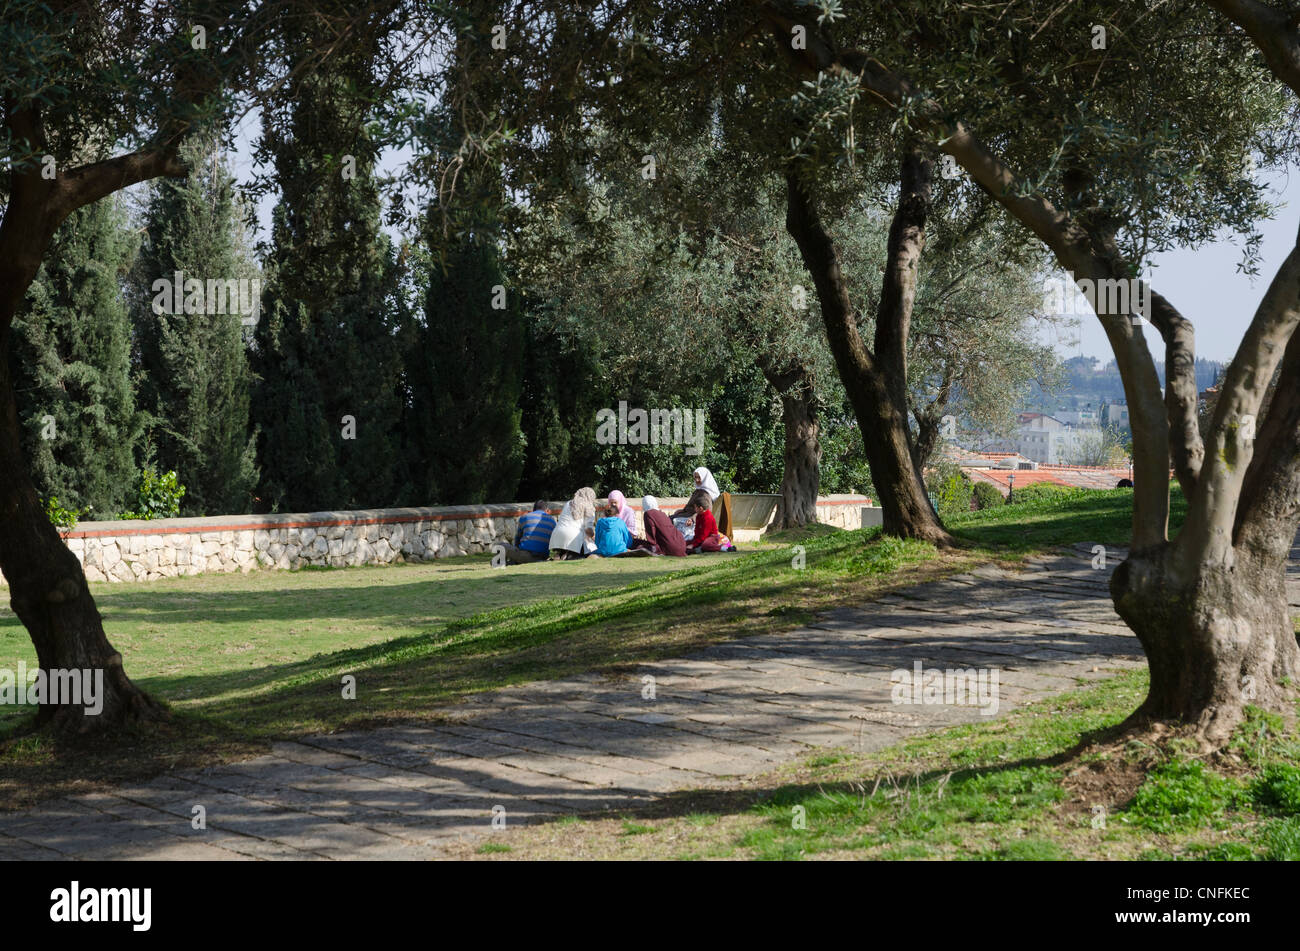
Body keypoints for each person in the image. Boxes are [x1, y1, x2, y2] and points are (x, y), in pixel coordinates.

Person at [550, 487, 597, 559]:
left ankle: (560, 555)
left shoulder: (568, 503)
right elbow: (588, 530)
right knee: (586, 552)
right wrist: (595, 538)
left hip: (557, 535)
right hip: (573, 538)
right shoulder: (589, 507)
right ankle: (567, 556)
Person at [692, 466, 732, 539]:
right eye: (695, 477)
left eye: (699, 477)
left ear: (704, 478)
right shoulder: (698, 491)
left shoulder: (706, 494)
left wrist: (692, 518)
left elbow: (706, 511)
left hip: (696, 519)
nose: (696, 480)